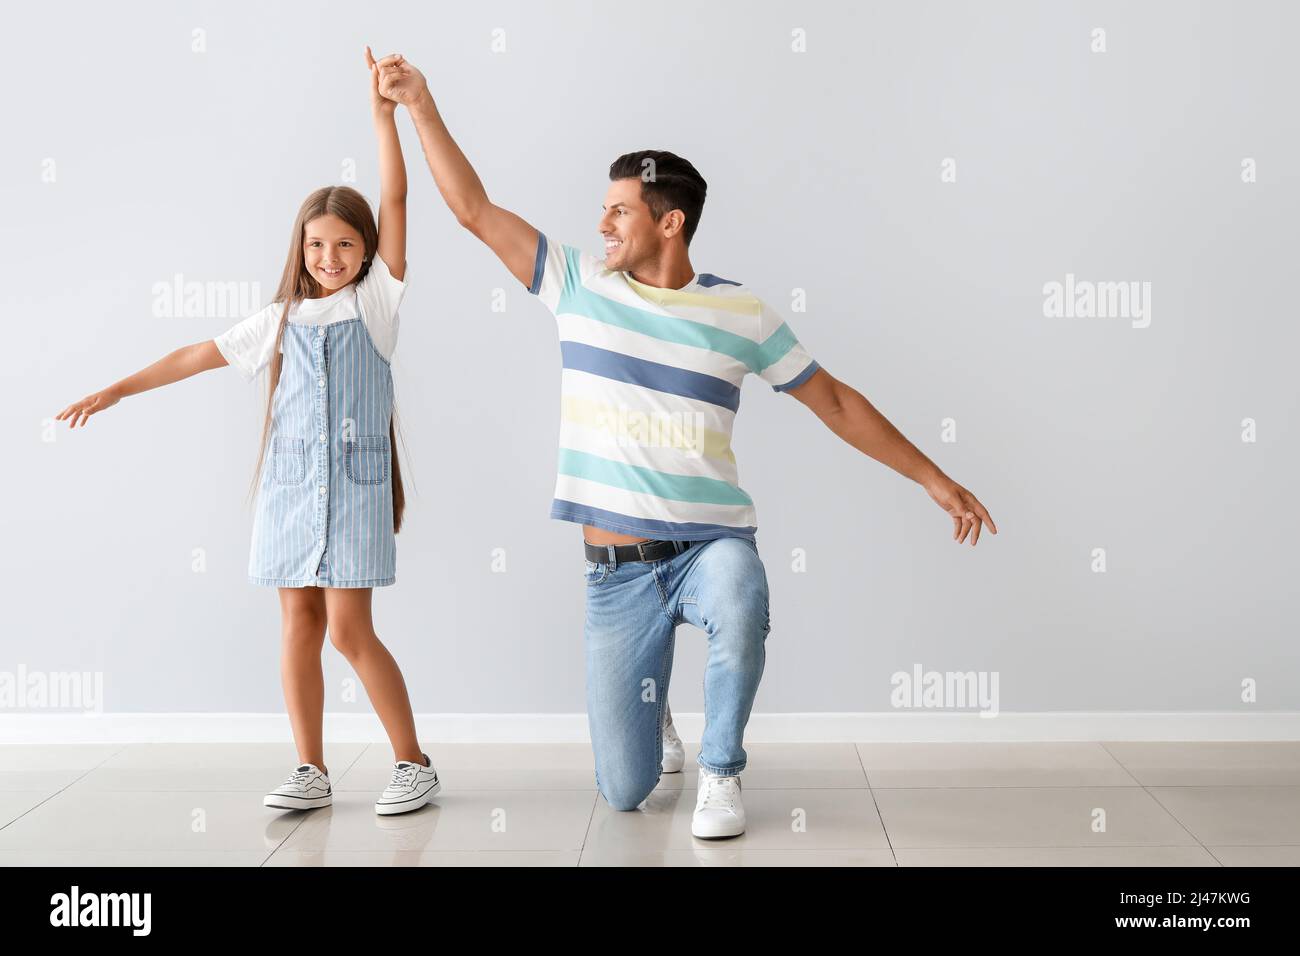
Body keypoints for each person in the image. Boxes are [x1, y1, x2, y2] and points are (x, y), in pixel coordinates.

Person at [372, 52, 997, 838]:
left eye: (619, 212)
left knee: (741, 596)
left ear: (670, 222)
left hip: (710, 545)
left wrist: (932, 479)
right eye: (603, 210)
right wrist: (420, 104)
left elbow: (834, 400)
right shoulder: (576, 283)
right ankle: (655, 709)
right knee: (625, 790)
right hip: (616, 576)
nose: (601, 223)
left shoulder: (743, 314)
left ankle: (723, 771)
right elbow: (472, 209)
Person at [54, 48, 442, 818]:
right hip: (291, 493)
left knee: (349, 632)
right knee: (298, 624)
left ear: (366, 251)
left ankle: (412, 762)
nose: (329, 258)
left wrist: (383, 114)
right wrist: (118, 390)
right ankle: (310, 767)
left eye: (344, 245)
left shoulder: (378, 306)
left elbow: (395, 197)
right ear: (299, 251)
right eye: (316, 246)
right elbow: (194, 354)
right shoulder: (279, 320)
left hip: (356, 492)